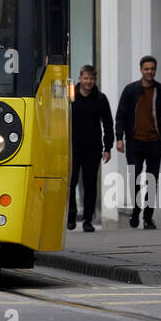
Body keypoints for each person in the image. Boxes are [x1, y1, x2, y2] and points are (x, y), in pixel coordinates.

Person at [114, 55, 161, 229]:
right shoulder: (130, 90)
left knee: (152, 180)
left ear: (155, 70)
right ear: (141, 70)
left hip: (154, 142)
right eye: (146, 69)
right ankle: (135, 210)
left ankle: (148, 217)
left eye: (152, 69)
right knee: (135, 178)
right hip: (134, 142)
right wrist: (119, 138)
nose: (150, 72)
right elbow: (121, 115)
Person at [69, 65, 114, 232]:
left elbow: (108, 124)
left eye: (92, 79)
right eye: (86, 78)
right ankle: (71, 215)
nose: (89, 82)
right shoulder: (70, 96)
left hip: (93, 149)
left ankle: (88, 219)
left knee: (90, 185)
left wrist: (107, 147)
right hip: (72, 148)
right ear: (80, 78)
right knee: (70, 183)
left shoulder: (100, 99)